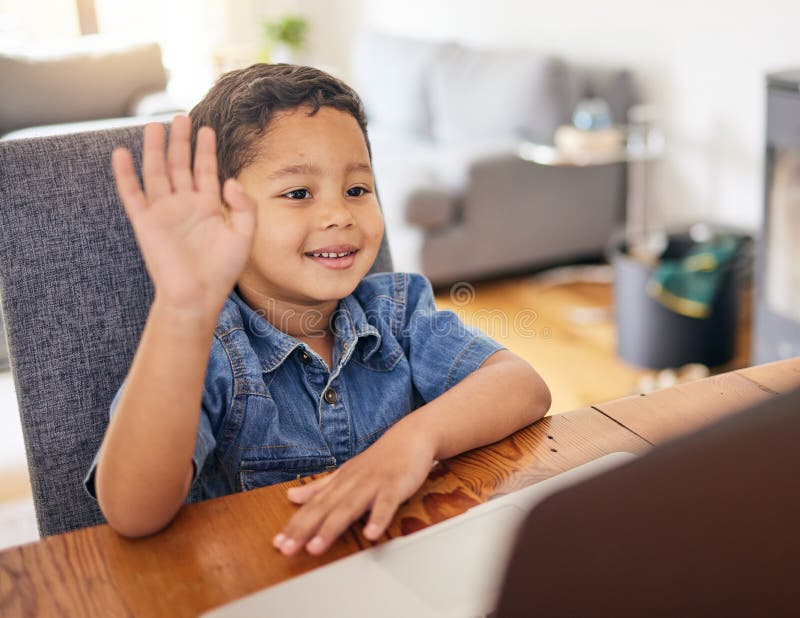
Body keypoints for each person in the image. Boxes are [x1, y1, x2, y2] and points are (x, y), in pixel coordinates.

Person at [83, 63, 551, 557]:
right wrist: (180, 312)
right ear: (223, 215)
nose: (339, 215)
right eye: (299, 193)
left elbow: (524, 385)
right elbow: (133, 512)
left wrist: (416, 439)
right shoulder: (204, 346)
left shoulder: (396, 311)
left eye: (357, 189)